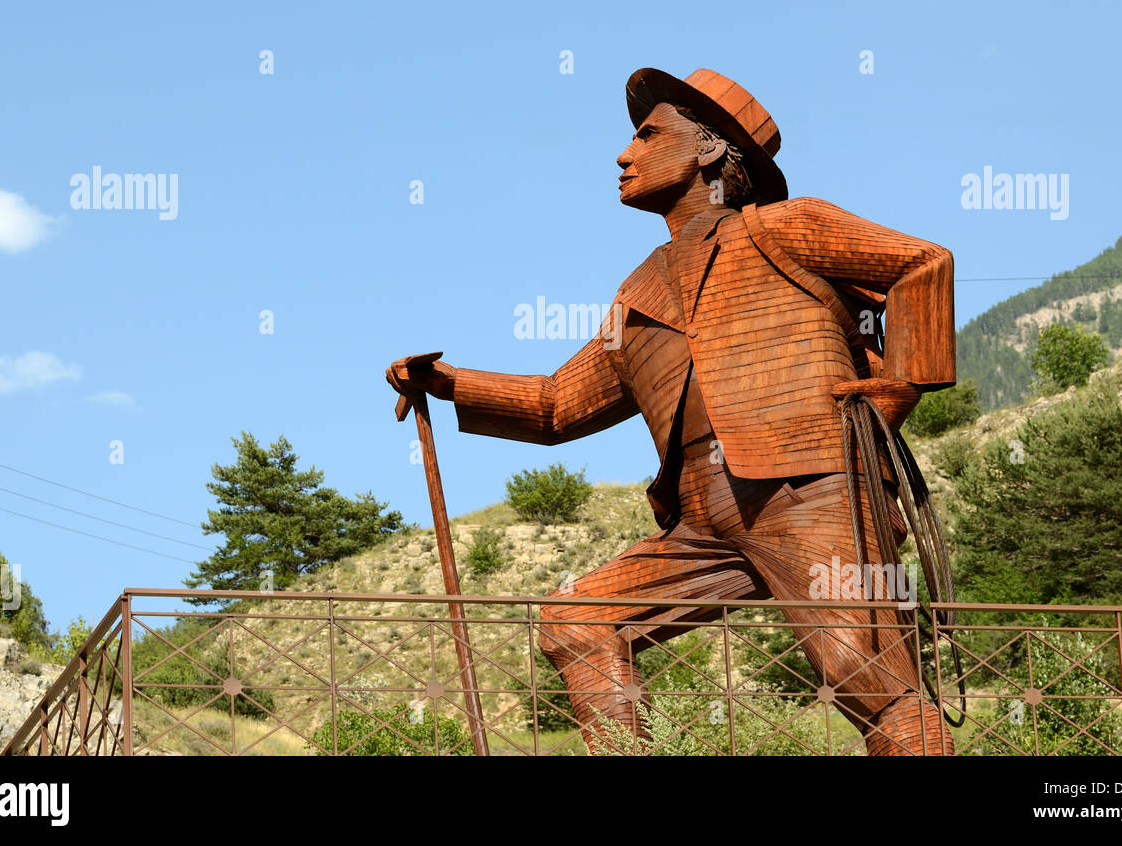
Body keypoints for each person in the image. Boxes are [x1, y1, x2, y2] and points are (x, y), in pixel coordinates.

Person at [387, 67, 957, 755]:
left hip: (809, 486)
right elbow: (556, 404)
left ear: (709, 149)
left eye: (647, 134)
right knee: (577, 619)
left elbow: (924, 264)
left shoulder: (788, 227)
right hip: (698, 518)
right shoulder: (640, 292)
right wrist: (450, 383)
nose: (625, 155)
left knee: (872, 683)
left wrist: (896, 388)